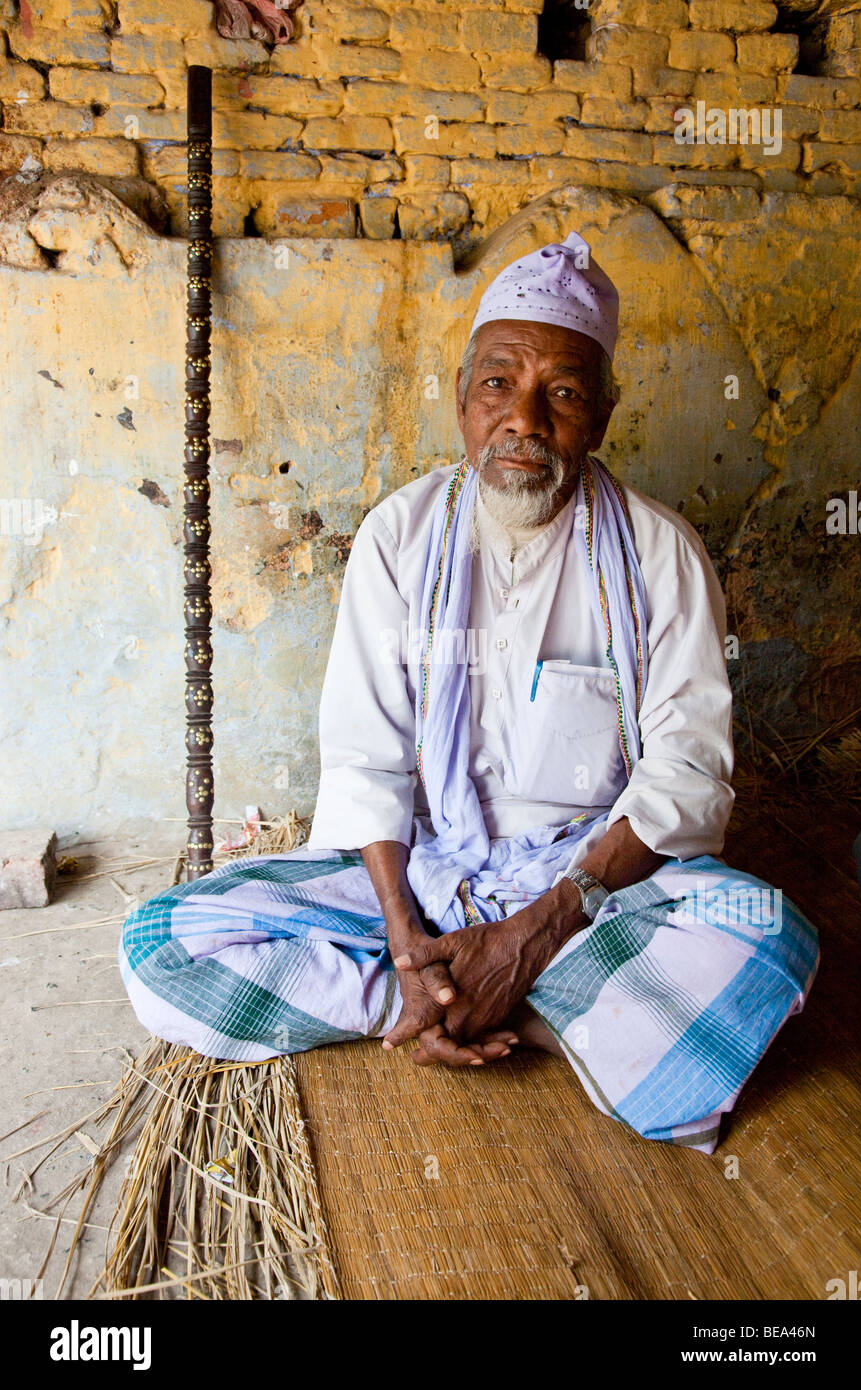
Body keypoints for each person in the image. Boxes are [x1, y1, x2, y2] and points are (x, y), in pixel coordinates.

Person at [120, 231, 819, 1154]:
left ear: (602, 415)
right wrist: (412, 946)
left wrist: (531, 933)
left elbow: (687, 778)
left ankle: (499, 988)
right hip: (421, 875)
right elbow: (368, 762)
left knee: (770, 936)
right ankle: (459, 1004)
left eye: (562, 392)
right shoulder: (398, 537)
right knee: (163, 945)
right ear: (462, 398)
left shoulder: (660, 553)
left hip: (587, 894)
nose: (523, 418)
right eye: (498, 383)